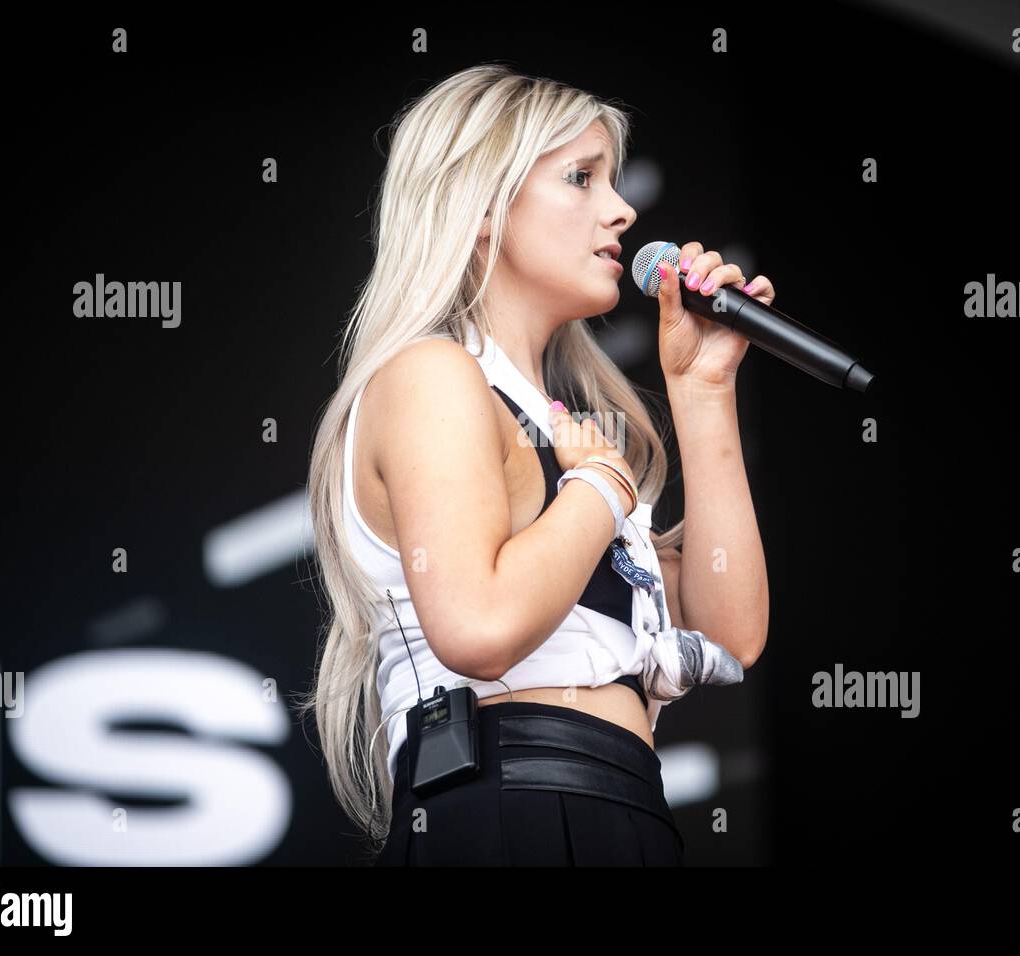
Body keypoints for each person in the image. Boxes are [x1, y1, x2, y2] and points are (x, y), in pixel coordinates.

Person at [299, 63, 771, 865]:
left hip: (626, 805)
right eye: (580, 178)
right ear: (481, 208)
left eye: (614, 181)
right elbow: (479, 629)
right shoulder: (433, 374)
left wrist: (704, 391)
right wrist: (599, 488)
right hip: (514, 805)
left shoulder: (565, 424)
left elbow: (731, 636)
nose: (621, 210)